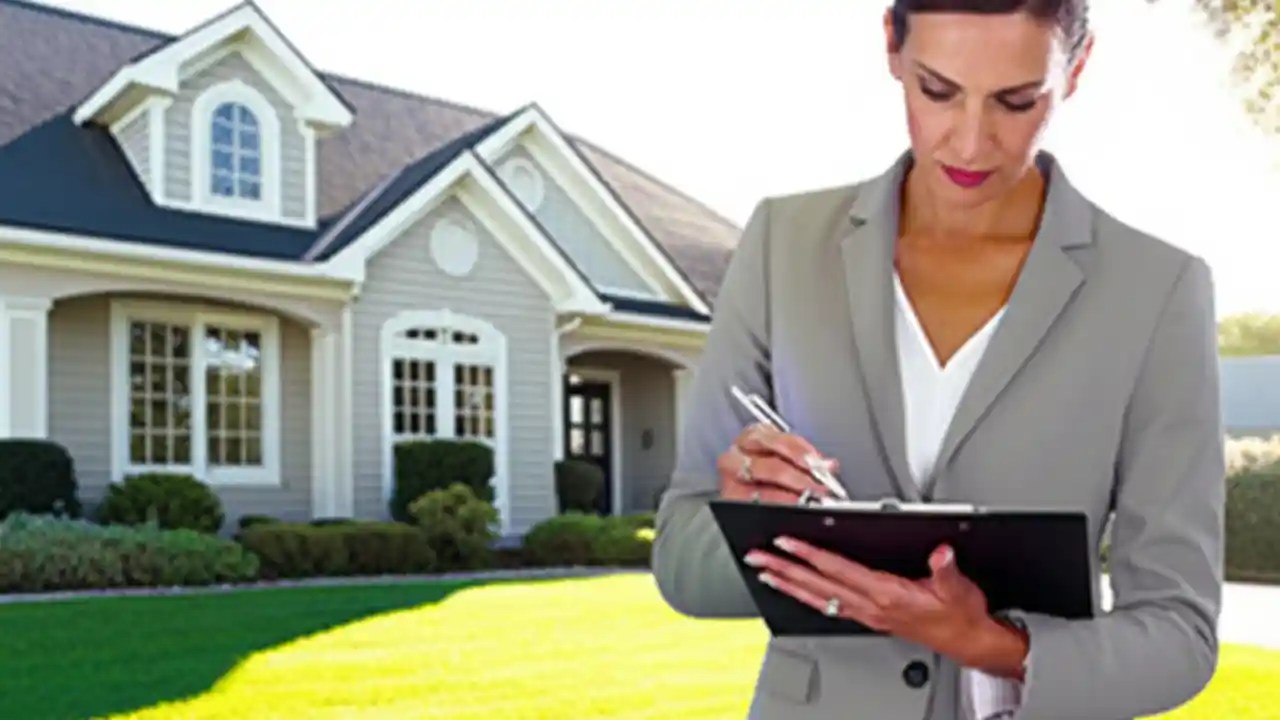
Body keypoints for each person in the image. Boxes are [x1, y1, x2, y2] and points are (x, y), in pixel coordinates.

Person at [651, 1, 1226, 719]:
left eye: (1017, 102)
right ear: (892, 46)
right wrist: (756, 526)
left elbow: (1180, 633)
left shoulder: (1155, 291)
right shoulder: (781, 247)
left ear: (1075, 69)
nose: (972, 142)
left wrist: (995, 645)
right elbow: (681, 563)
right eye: (938, 90)